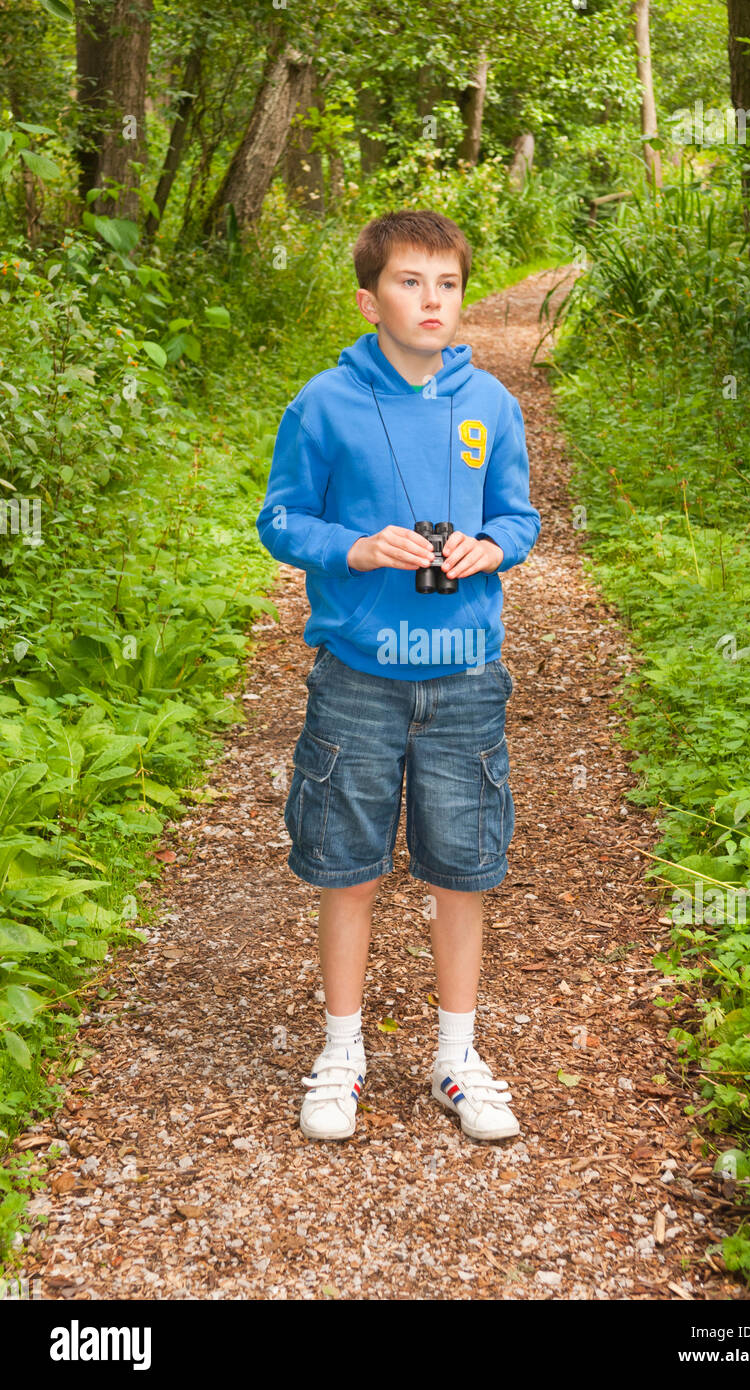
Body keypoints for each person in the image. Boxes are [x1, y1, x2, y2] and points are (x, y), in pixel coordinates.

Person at [256, 209, 541, 1143]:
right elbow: (282, 521)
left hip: (465, 675)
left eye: (448, 284)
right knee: (348, 865)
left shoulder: (490, 403)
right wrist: (355, 548)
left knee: (462, 867)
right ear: (367, 297)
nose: (432, 301)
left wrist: (487, 548)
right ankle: (342, 1049)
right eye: (410, 283)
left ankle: (456, 1056)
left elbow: (521, 520)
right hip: (359, 674)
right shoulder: (325, 402)